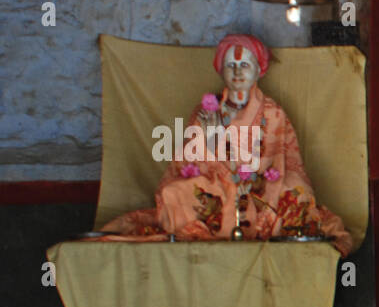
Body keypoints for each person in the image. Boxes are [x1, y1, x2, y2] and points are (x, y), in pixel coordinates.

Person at [101, 33, 352, 254]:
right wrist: (221, 170)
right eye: (231, 64)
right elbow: (191, 160)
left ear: (259, 70)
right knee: (174, 194)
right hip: (216, 187)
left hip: (263, 188)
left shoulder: (273, 113)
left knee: (298, 191)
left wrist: (254, 178)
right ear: (221, 69)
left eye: (245, 64)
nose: (238, 71)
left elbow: (283, 160)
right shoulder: (206, 111)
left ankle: (250, 221)